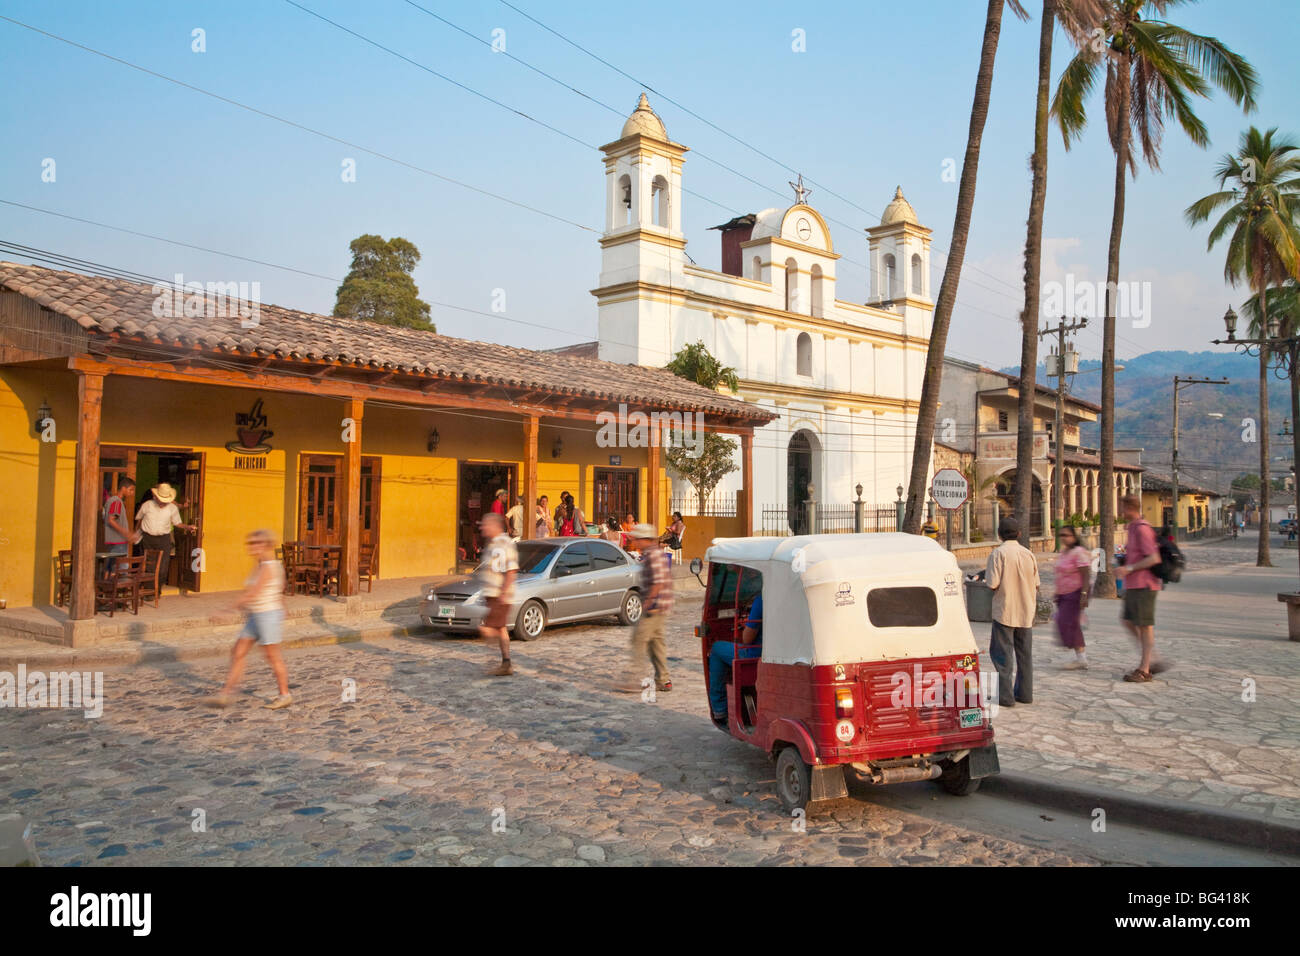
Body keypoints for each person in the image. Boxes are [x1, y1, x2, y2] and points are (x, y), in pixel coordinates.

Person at [205, 530, 291, 709]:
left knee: (272, 657)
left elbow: (253, 593)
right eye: (250, 543)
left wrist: (226, 610)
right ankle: (226, 693)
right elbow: (279, 588)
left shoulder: (268, 566)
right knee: (238, 651)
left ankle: (284, 694)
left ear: (265, 545)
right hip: (256, 615)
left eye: (255, 543)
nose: (251, 547)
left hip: (267, 616)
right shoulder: (260, 564)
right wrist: (282, 604)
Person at [986, 516, 1039, 707]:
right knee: (1025, 655)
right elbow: (1037, 583)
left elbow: (992, 584)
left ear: (999, 534)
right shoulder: (1029, 554)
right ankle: (1025, 694)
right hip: (1026, 611)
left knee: (1002, 655)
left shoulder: (997, 554)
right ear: (1019, 534)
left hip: (1005, 610)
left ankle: (1006, 696)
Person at [615, 524, 672, 694]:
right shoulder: (652, 554)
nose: (635, 543)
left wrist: (647, 602)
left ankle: (633, 679)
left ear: (644, 539)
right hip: (661, 607)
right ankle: (663, 679)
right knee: (656, 644)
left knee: (638, 641)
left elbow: (658, 582)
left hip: (654, 607)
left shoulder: (653, 555)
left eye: (637, 539)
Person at [1116, 494, 1165, 683]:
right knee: (1128, 621)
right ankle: (1152, 657)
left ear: (1129, 507)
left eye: (1122, 507)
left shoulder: (1142, 529)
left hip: (1145, 584)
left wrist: (1129, 568)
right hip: (1134, 584)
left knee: (1145, 626)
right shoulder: (1133, 528)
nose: (1120, 511)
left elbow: (1154, 558)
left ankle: (1145, 669)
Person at [708, 590, 762, 723]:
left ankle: (719, 709)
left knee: (716, 648)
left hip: (755, 654)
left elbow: (747, 638)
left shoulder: (762, 600)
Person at [476, 512, 518, 677]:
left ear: (495, 526)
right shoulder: (492, 543)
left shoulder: (503, 544)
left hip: (499, 593)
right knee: (501, 629)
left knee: (486, 628)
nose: (483, 528)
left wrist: (504, 592)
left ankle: (491, 660)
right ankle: (506, 663)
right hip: (493, 593)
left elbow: (511, 569)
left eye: (486, 524)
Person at [135, 482, 196, 589]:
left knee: (163, 567)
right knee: (149, 566)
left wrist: (188, 527)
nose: (163, 502)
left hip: (163, 539)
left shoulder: (172, 508)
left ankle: (157, 589)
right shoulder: (147, 505)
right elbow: (139, 520)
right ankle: (149, 591)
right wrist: (135, 534)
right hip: (147, 539)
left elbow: (177, 523)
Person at [1054, 525, 1091, 669]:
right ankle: (1080, 656)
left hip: (1075, 592)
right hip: (1064, 593)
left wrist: (1084, 594)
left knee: (1068, 623)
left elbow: (1086, 574)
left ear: (1074, 537)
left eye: (1066, 535)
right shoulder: (1064, 553)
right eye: (1061, 535)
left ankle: (1081, 658)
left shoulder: (1078, 552)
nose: (1063, 538)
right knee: (1065, 622)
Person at [102, 477, 135, 570]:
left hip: (114, 541)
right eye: (131, 490)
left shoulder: (112, 500)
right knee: (121, 570)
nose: (132, 493)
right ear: (123, 488)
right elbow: (111, 520)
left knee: (110, 569)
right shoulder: (116, 502)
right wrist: (127, 533)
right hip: (118, 542)